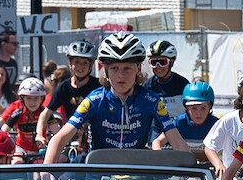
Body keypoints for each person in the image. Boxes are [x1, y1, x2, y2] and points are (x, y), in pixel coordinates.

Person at [44, 33, 188, 163]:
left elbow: (177, 141)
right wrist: (47, 169)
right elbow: (60, 138)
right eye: (114, 68)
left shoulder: (151, 100)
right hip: (98, 177)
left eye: (127, 68)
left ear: (138, 69)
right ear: (105, 70)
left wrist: (191, 174)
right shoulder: (94, 100)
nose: (121, 75)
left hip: (138, 176)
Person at [37, 40, 99, 148]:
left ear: (91, 65)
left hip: (96, 136)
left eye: (85, 63)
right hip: (72, 137)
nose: (80, 66)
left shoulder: (98, 86)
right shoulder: (63, 87)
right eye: (77, 62)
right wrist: (39, 134)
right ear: (70, 63)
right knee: (60, 160)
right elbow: (45, 114)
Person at [152, 81, 219, 158]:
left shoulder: (216, 125)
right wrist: (159, 156)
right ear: (186, 108)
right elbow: (157, 142)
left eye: (203, 108)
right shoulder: (178, 122)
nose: (198, 113)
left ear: (210, 107)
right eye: (194, 108)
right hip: (183, 166)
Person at [0, 77, 49, 161]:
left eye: (36, 98)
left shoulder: (46, 113)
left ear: (42, 99)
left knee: (42, 173)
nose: (32, 103)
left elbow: (57, 132)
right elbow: (3, 132)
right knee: (16, 164)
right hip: (21, 149)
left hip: (41, 150)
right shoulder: (17, 113)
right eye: (28, 98)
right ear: (22, 99)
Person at [142, 40, 190, 116]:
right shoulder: (147, 86)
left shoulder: (183, 84)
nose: (158, 66)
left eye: (162, 62)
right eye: (154, 62)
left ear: (172, 62)